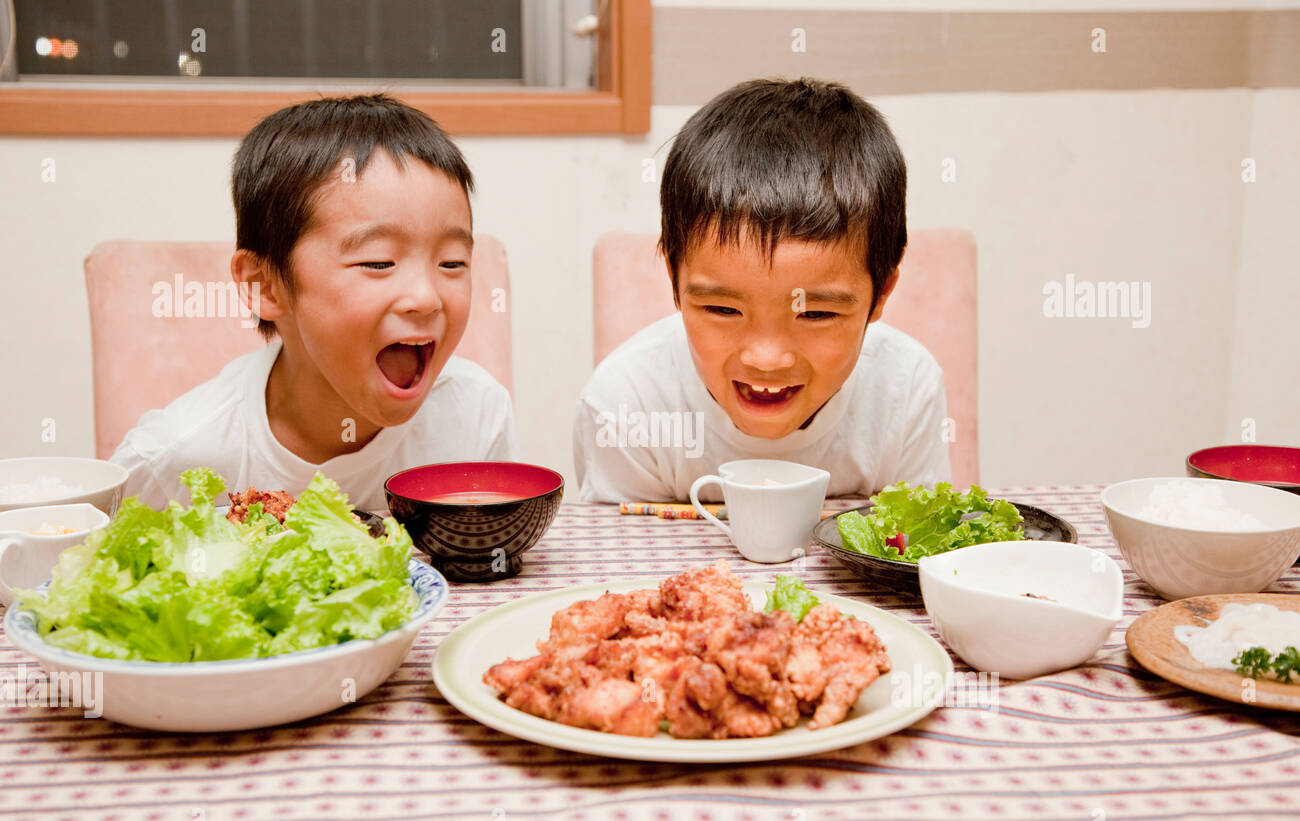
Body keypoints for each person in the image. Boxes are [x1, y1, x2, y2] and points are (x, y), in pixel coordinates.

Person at [112, 94, 516, 512]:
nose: (426, 297)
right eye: (378, 262)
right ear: (265, 286)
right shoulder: (177, 457)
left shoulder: (474, 418)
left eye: (452, 262)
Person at [573, 78, 951, 503]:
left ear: (880, 295)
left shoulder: (905, 389)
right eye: (722, 309)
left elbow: (911, 550)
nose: (766, 359)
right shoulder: (629, 404)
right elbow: (627, 559)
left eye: (815, 314)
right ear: (675, 283)